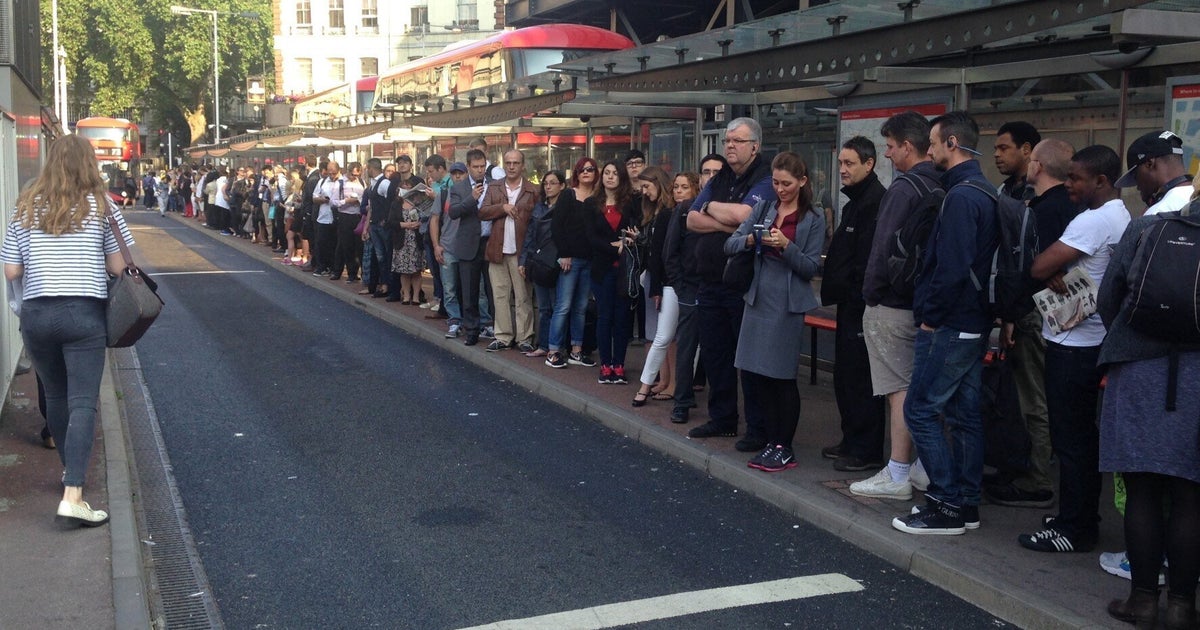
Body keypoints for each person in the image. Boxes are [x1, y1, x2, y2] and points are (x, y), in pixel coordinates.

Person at [1, 134, 137, 527]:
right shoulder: (102, 206)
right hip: (82, 314)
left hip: (37, 316)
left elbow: (11, 270)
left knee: (56, 398)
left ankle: (69, 474)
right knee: (82, 402)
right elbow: (117, 267)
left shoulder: (25, 208)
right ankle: (73, 494)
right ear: (89, 165)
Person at [1017, 145, 1130, 553]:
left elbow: (1038, 266)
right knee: (1080, 437)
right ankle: (1080, 516)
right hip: (1091, 338)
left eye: (1076, 179)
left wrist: (1054, 269)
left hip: (1072, 342)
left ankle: (1072, 528)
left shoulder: (1094, 221)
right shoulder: (1121, 214)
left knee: (1072, 441)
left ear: (1101, 180)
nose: (1069, 185)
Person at [1096, 185, 1200, 630]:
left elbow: (1107, 300)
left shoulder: (1145, 229)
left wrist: (1133, 336)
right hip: (1197, 378)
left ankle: (1141, 600)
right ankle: (1181, 607)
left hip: (1138, 370)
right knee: (1190, 494)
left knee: (1141, 488)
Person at [891, 111, 996, 536]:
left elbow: (951, 266)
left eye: (933, 143)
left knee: (920, 409)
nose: (928, 150)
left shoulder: (961, 196)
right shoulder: (983, 190)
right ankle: (965, 503)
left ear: (952, 143)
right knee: (965, 413)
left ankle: (948, 502)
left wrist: (931, 317)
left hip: (950, 322)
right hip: (974, 320)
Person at [986, 138, 1081, 509]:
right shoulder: (1070, 208)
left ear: (1037, 165)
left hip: (1036, 313)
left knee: (1032, 400)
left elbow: (1034, 266)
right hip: (1053, 315)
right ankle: (1025, 467)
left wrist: (1012, 311)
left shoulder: (1044, 210)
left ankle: (1035, 478)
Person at [852, 110, 939, 500]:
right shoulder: (945, 183)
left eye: (889, 146)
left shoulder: (903, 189)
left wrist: (870, 293)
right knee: (922, 389)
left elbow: (882, 249)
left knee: (898, 390)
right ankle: (921, 466)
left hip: (893, 302)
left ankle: (898, 471)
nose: (887, 154)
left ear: (907, 146)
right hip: (928, 303)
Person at [722, 151, 824, 471]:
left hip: (787, 302)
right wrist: (753, 239)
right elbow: (731, 244)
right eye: (776, 183)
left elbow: (809, 267)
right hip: (758, 296)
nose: (781, 190)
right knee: (756, 373)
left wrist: (785, 246)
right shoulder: (764, 208)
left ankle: (784, 445)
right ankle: (770, 440)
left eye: (787, 184)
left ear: (802, 182)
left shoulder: (813, 218)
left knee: (781, 377)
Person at [685, 118, 776, 451]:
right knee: (715, 354)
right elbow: (692, 218)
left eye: (737, 141)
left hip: (742, 283)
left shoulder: (765, 177)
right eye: (726, 141)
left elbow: (745, 217)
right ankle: (722, 419)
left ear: (755, 146)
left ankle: (757, 427)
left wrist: (716, 211)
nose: (729, 147)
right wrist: (721, 216)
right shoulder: (721, 176)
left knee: (747, 359)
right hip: (709, 281)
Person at [821, 136, 887, 472]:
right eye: (841, 163)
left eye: (850, 164)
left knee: (861, 379)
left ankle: (866, 448)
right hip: (848, 304)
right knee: (846, 377)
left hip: (862, 305)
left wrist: (855, 294)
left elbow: (869, 260)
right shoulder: (855, 202)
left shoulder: (875, 203)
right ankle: (851, 440)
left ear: (869, 164)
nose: (843, 170)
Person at [585, 159, 641, 383]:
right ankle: (605, 364)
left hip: (625, 271)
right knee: (604, 316)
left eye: (615, 173)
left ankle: (619, 365)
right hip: (602, 268)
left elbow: (636, 229)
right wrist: (614, 248)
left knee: (622, 318)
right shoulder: (591, 203)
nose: (610, 177)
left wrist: (625, 244)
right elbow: (590, 237)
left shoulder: (631, 202)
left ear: (621, 178)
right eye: (606, 172)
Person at [480, 149, 538, 352]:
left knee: (523, 296)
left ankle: (525, 338)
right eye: (508, 162)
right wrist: (502, 208)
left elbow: (537, 222)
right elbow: (482, 212)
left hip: (521, 252)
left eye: (515, 163)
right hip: (497, 250)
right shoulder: (494, 186)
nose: (511, 166)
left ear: (523, 165)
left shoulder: (532, 190)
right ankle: (503, 336)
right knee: (500, 295)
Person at [544, 159, 599, 369]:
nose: (586, 172)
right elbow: (557, 226)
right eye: (582, 169)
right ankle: (554, 350)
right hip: (570, 259)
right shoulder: (569, 194)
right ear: (576, 173)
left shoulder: (597, 197)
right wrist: (564, 254)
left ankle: (576, 350)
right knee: (563, 305)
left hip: (589, 259)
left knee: (581, 307)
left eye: (590, 169)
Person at [632, 166, 678, 406]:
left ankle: (669, 382)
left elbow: (661, 250)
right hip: (653, 275)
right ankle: (665, 379)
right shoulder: (655, 212)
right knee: (660, 333)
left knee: (667, 335)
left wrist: (657, 286)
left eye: (647, 187)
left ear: (659, 184)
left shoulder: (668, 212)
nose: (644, 192)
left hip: (661, 278)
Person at [664, 170, 703, 422]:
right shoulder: (683, 211)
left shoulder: (723, 208)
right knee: (686, 345)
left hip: (717, 287)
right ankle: (682, 401)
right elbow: (670, 252)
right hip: (690, 287)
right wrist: (681, 286)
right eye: (707, 172)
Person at [520, 170, 565, 358]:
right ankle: (543, 345)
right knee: (544, 306)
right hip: (539, 261)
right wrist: (524, 260)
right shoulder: (538, 208)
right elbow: (530, 235)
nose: (548, 186)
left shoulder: (566, 208)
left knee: (558, 306)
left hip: (558, 262)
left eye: (553, 183)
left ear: (562, 185)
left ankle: (557, 346)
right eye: (546, 183)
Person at [447, 149, 490, 346]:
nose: (480, 170)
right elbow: (454, 212)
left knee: (492, 290)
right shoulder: (459, 187)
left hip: (490, 243)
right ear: (468, 167)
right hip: (468, 245)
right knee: (469, 291)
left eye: (483, 166)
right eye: (476, 167)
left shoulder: (494, 185)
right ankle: (471, 330)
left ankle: (494, 326)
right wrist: (471, 198)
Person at [1114, 130, 1192, 214]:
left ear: (1149, 164)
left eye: (1136, 176)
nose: (1138, 187)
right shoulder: (1196, 199)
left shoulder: (1158, 212)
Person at [330, 161, 364, 283]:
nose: (354, 177)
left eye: (356, 175)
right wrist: (346, 201)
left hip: (358, 216)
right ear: (348, 171)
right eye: (352, 174)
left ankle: (360, 272)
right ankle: (351, 273)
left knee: (359, 246)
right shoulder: (339, 183)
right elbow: (333, 202)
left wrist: (359, 201)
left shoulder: (361, 182)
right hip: (345, 216)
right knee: (347, 245)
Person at [994, 121, 1041, 200]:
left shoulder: (1043, 190)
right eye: (996, 149)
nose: (996, 154)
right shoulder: (1003, 190)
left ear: (1026, 149)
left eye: (1003, 148)